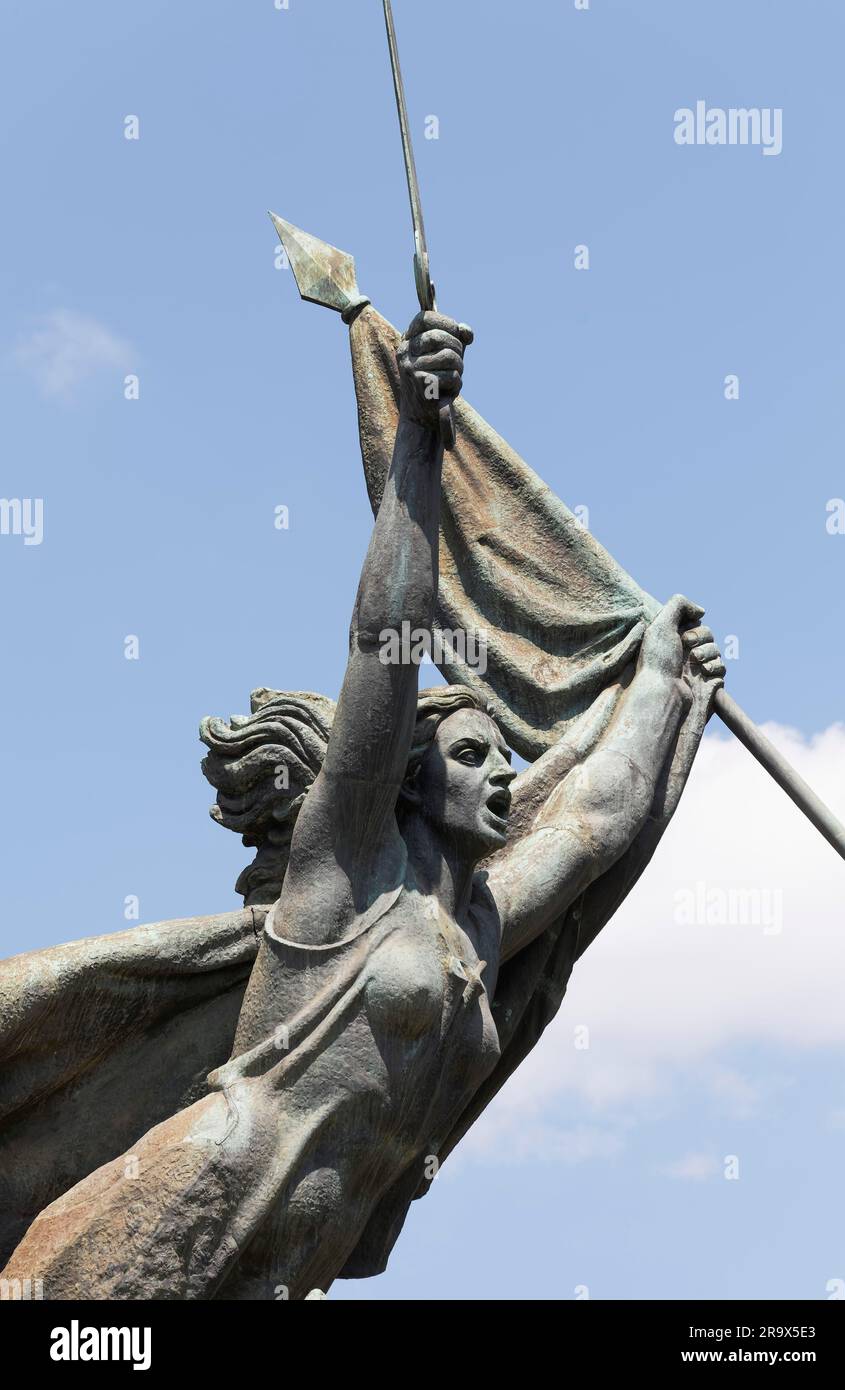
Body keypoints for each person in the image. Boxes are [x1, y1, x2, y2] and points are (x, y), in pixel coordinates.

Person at [1, 311, 724, 1300]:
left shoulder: (482, 925)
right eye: (474, 755)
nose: (505, 775)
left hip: (296, 1261)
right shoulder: (344, 875)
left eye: (502, 758)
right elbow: (386, 631)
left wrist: (659, 680)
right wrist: (419, 444)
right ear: (408, 781)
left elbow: (595, 820)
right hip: (188, 1215)